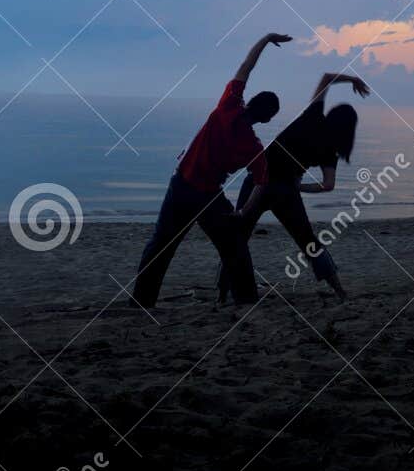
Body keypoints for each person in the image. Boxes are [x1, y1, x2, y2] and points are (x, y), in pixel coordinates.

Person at [131, 33, 290, 309]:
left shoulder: (228, 106)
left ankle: (142, 302)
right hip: (206, 197)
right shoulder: (253, 147)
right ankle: (246, 298)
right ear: (267, 119)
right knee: (234, 246)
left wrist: (264, 40)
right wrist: (243, 212)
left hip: (182, 185)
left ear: (251, 101)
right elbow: (261, 183)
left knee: (161, 245)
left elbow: (245, 67)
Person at [218, 70, 369, 304]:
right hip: (286, 190)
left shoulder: (314, 116)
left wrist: (353, 79)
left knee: (238, 237)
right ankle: (340, 292)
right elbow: (328, 185)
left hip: (259, 180)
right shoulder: (330, 150)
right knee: (309, 242)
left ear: (331, 115)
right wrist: (300, 187)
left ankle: (222, 295)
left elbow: (327, 77)